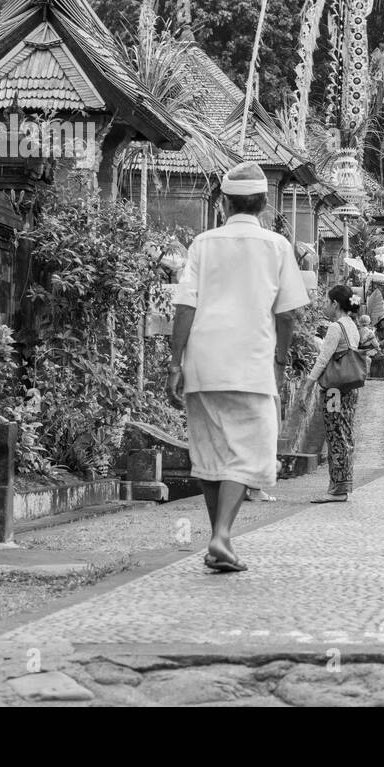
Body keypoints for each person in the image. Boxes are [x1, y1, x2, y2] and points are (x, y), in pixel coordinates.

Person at [168, 162, 308, 572]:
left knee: (211, 454)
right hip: (252, 362)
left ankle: (218, 540)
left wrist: (175, 363)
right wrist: (281, 361)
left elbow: (185, 306)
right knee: (247, 454)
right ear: (265, 204)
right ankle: (222, 536)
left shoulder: (202, 243)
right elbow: (286, 316)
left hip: (204, 362)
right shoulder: (278, 246)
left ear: (223, 202)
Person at [301, 285, 365, 503]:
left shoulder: (336, 327)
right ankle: (342, 484)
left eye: (327, 302)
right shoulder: (353, 326)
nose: (325, 306)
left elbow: (323, 359)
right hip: (348, 389)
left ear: (335, 304)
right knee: (345, 433)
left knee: (335, 433)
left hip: (334, 390)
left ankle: (338, 488)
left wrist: (308, 385)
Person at [369, 312, 384, 379]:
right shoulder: (376, 333)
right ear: (380, 324)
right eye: (383, 321)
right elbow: (377, 345)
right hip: (380, 353)